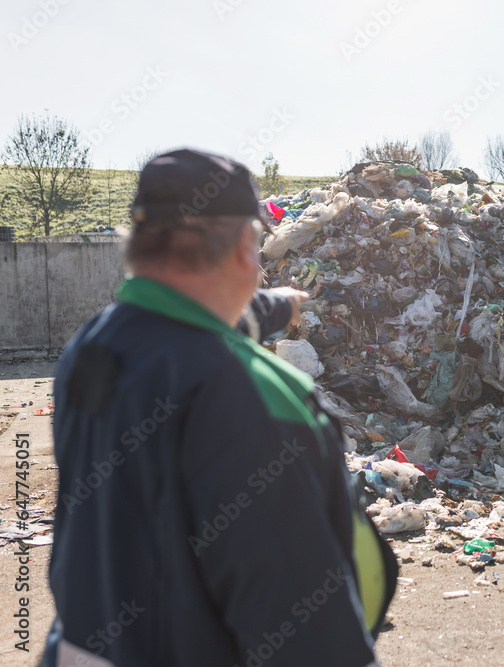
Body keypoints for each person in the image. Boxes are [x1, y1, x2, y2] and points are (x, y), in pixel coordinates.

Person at [45, 149, 396, 667]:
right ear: (241, 247)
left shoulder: (92, 350)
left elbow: (187, 324)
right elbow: (307, 637)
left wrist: (278, 303)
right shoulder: (260, 401)